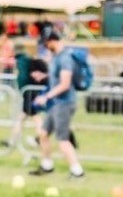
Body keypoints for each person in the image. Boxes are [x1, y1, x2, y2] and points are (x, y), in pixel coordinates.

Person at [32, 32, 84, 179]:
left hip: (65, 103)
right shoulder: (56, 57)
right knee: (43, 133)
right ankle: (47, 165)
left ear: (52, 41)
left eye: (46, 44)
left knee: (62, 139)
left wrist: (46, 96)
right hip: (56, 103)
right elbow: (57, 77)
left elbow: (65, 84)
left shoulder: (66, 58)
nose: (45, 47)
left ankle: (77, 171)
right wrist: (44, 77)